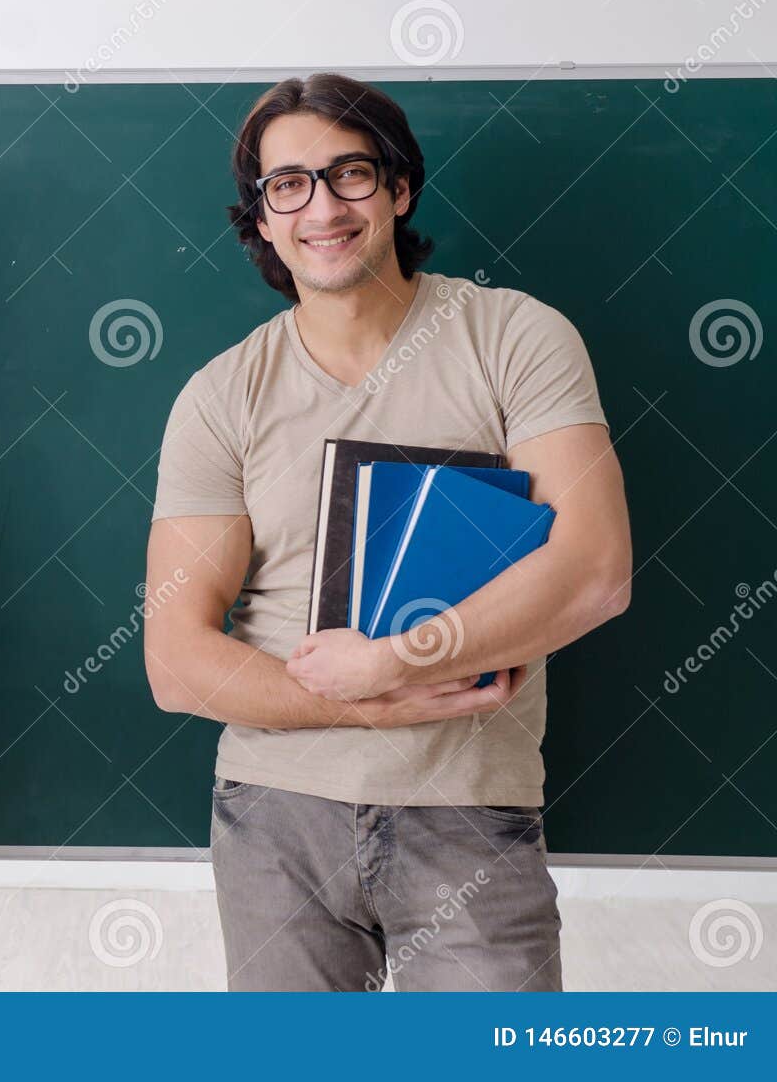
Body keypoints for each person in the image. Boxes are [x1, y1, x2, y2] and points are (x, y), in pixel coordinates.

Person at [144, 73, 631, 991]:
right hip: (274, 818)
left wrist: (397, 660)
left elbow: (597, 570)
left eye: (350, 174)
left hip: (468, 808)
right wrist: (360, 700)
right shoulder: (219, 395)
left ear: (400, 189)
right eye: (286, 185)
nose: (320, 207)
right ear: (261, 217)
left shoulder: (515, 338)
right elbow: (174, 660)